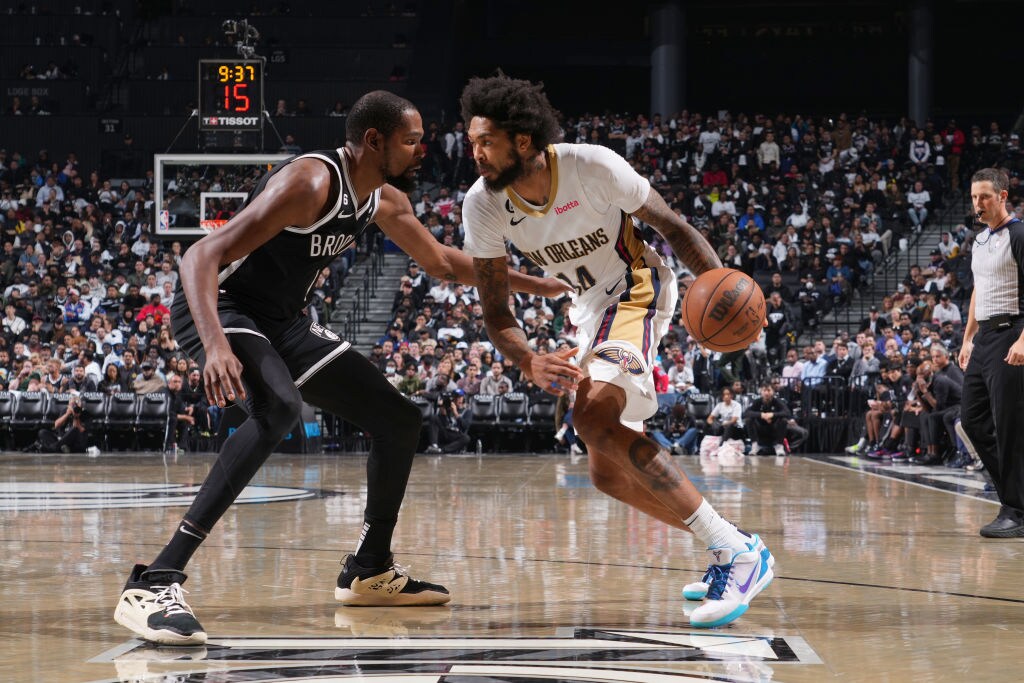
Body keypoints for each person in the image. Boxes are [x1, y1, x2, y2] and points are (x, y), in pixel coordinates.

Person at [113, 90, 568, 645]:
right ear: (374, 141)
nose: (423, 149)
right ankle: (154, 581)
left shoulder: (383, 199)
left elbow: (444, 263)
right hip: (221, 305)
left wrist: (532, 281)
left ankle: (369, 568)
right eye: (410, 140)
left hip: (284, 321)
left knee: (399, 418)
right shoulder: (310, 182)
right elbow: (200, 256)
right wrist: (214, 346)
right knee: (278, 408)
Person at [459, 73, 773, 629]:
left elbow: (674, 228)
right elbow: (496, 312)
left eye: (485, 140)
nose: (474, 151)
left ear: (523, 141)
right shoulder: (483, 205)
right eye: (472, 140)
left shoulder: (593, 166)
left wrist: (721, 290)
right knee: (606, 471)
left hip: (637, 289)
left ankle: (739, 552)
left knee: (593, 416)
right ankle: (732, 545)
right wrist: (528, 358)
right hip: (588, 309)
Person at [958, 168, 1024, 537]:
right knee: (972, 421)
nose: (977, 204)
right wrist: (967, 339)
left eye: (984, 196)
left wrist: (1023, 340)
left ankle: (1015, 510)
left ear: (1002, 196)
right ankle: (1015, 500)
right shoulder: (980, 241)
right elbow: (977, 291)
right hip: (984, 337)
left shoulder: (1020, 234)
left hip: (1012, 332)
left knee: (1010, 426)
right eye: (973, 197)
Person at [743, 383, 791, 456]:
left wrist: (772, 415)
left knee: (784, 420)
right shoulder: (758, 401)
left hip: (774, 428)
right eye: (764, 390)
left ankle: (779, 446)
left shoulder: (777, 401)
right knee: (749, 419)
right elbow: (746, 413)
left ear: (773, 392)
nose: (766, 393)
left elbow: (787, 412)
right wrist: (761, 415)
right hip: (760, 428)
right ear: (761, 392)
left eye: (769, 390)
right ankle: (755, 445)